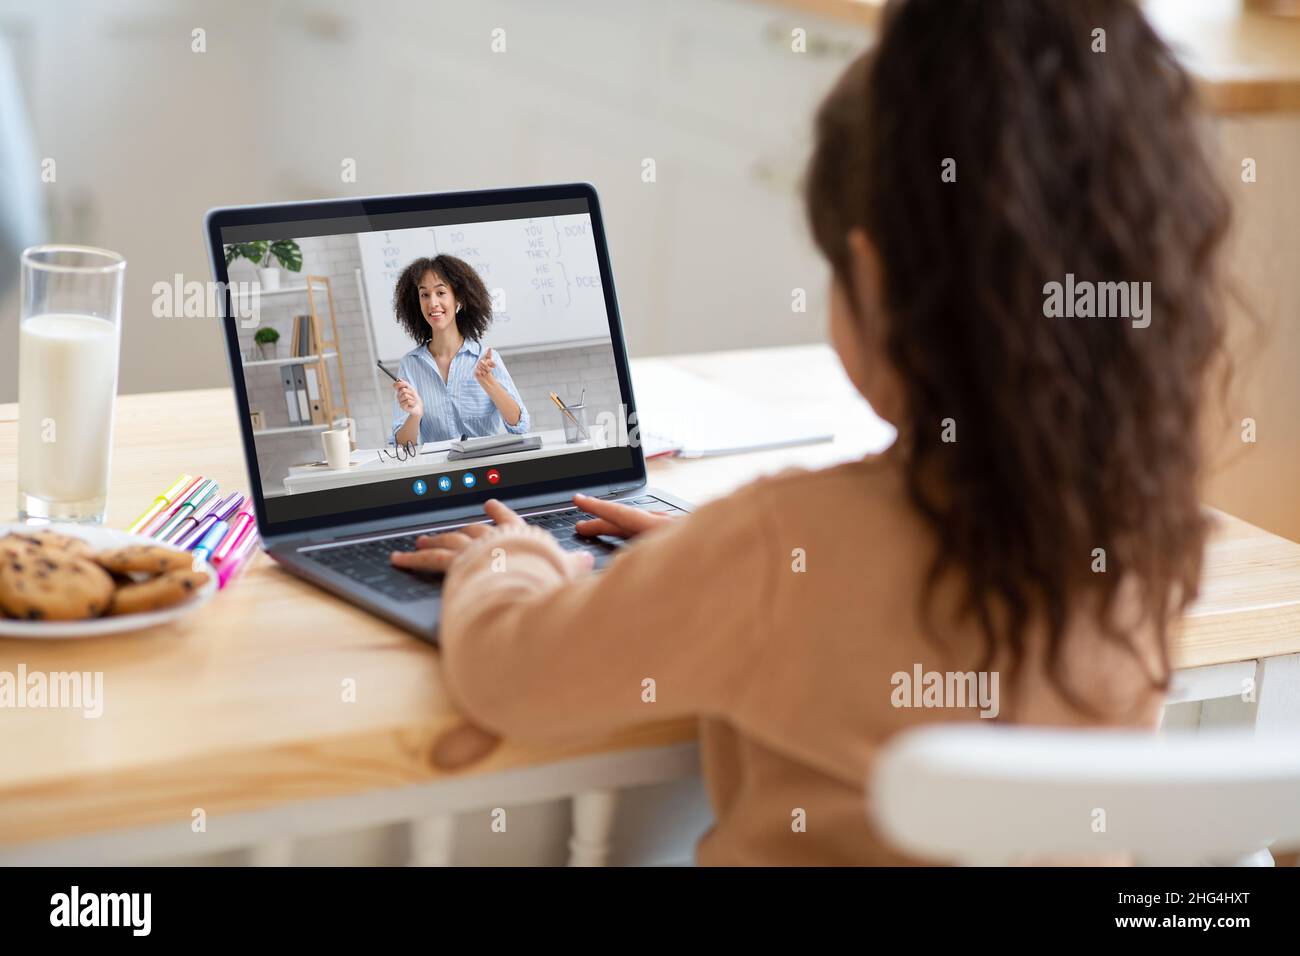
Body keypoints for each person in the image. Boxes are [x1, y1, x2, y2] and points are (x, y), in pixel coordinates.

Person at [391, 0, 1231, 864]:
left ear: (869, 277)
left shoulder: (780, 552)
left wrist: (511, 557)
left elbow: (516, 675)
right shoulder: (1137, 550)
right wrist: (703, 556)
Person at [389, 254, 530, 445]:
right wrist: (415, 415)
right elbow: (401, 445)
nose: (432, 303)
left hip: (486, 465)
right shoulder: (411, 365)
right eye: (424, 295)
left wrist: (488, 382)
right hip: (438, 471)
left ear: (458, 300)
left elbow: (520, 426)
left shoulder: (485, 358)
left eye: (440, 293)